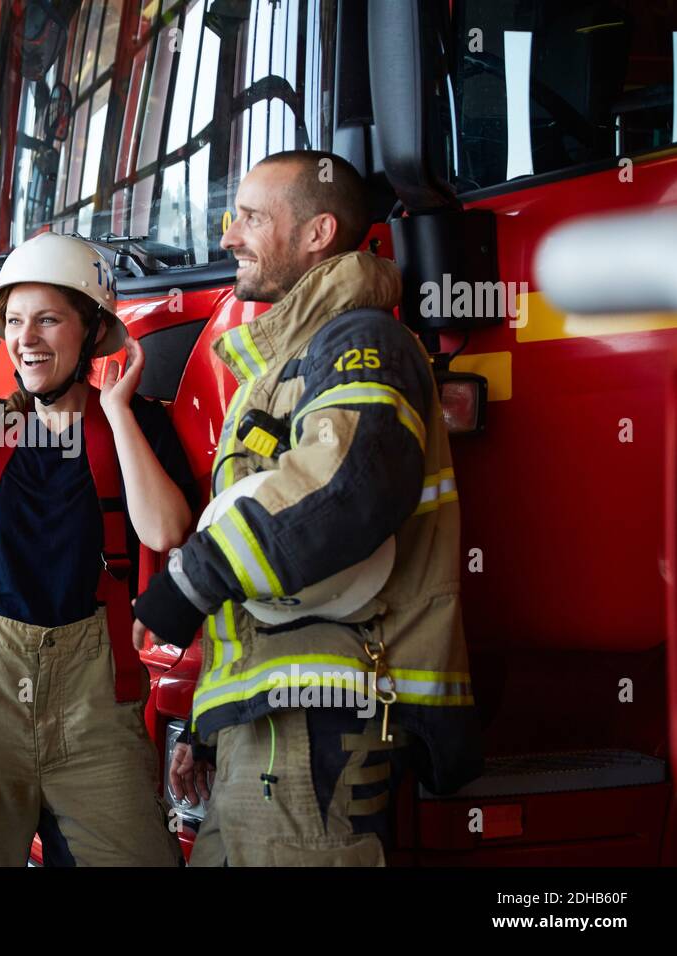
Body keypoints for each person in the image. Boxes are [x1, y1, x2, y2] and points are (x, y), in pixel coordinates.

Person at [131, 150, 483, 866]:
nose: (229, 235)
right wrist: (209, 721)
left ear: (319, 233)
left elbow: (345, 487)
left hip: (318, 727)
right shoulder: (284, 363)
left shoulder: (361, 342)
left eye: (252, 217)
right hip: (265, 726)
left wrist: (189, 583)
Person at [0, 232, 197, 866]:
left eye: (48, 319)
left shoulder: (135, 424)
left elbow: (165, 532)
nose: (27, 337)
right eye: (14, 320)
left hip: (96, 712)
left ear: (93, 331)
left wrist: (118, 411)